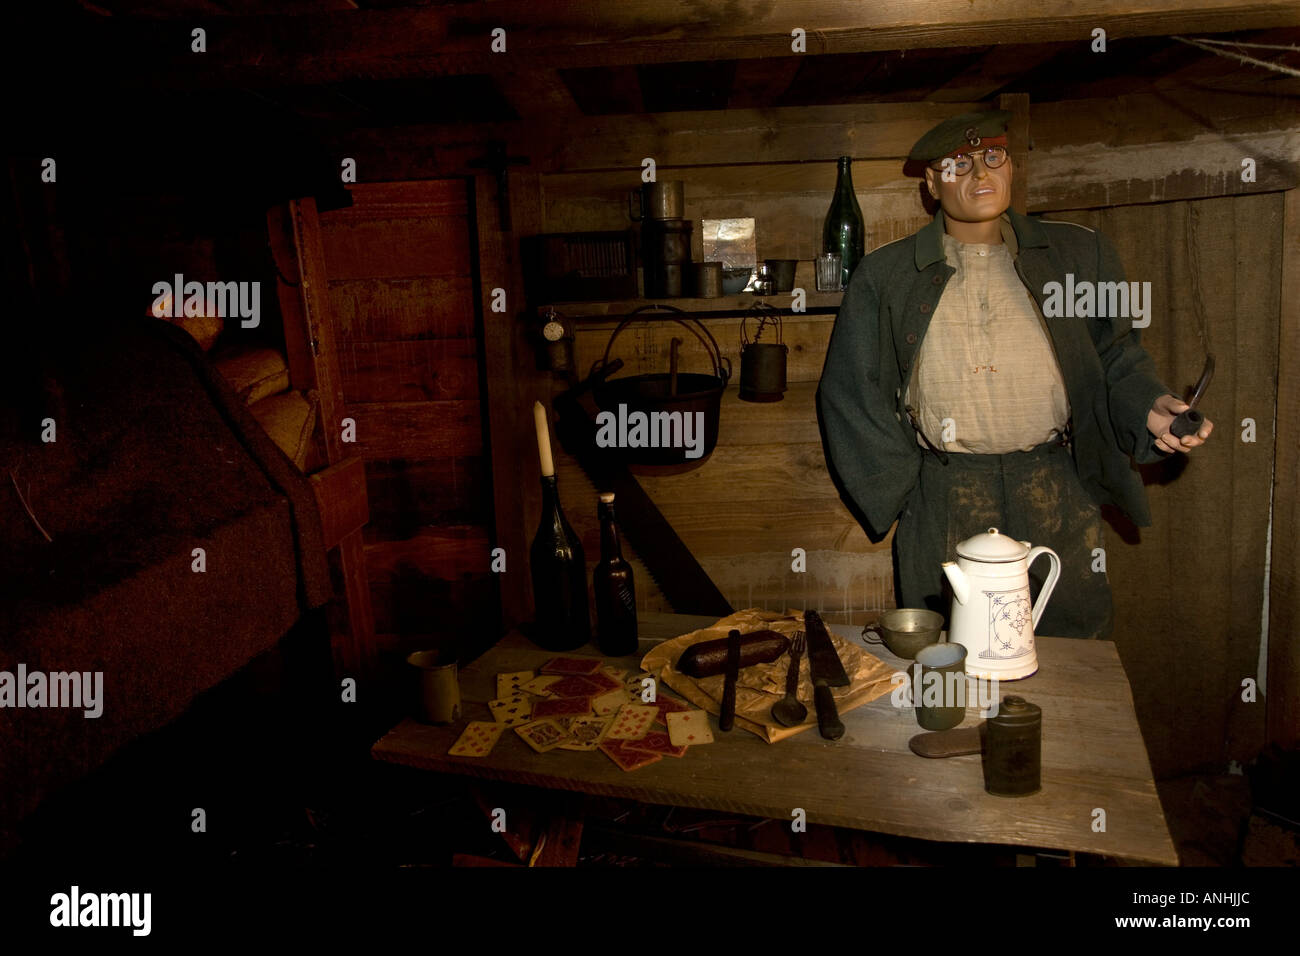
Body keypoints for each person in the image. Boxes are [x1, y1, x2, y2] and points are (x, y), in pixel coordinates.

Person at [816, 110, 1213, 639]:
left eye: (992, 158)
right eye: (959, 163)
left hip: (1053, 486)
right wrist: (903, 489)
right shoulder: (887, 275)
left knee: (1074, 645)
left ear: (1011, 167)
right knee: (952, 648)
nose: (980, 175)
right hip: (945, 493)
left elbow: (1117, 357)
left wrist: (1150, 408)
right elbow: (850, 391)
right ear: (932, 183)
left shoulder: (1079, 254)